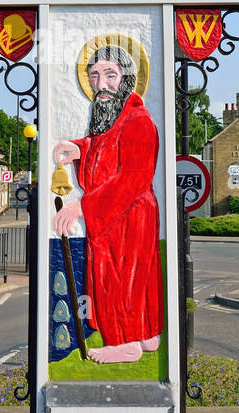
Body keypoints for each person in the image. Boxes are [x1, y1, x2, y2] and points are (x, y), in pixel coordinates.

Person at [52, 45, 162, 363]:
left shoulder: (138, 119)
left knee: (122, 277)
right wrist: (78, 148)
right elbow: (101, 144)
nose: (102, 84)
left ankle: (125, 344)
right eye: (95, 76)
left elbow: (131, 180)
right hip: (117, 218)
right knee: (129, 277)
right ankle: (146, 334)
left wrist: (82, 207)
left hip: (129, 216)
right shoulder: (112, 116)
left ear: (126, 79)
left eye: (110, 75)